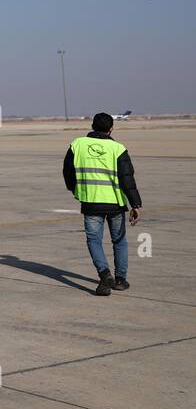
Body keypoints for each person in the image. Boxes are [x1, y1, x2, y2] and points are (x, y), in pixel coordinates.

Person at [63, 112, 142, 296]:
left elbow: (67, 171)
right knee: (119, 241)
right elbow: (127, 178)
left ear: (92, 126)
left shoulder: (77, 144)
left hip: (91, 203)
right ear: (111, 128)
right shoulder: (118, 148)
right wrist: (135, 205)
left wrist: (74, 189)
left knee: (93, 240)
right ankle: (120, 280)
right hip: (115, 204)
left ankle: (105, 274)